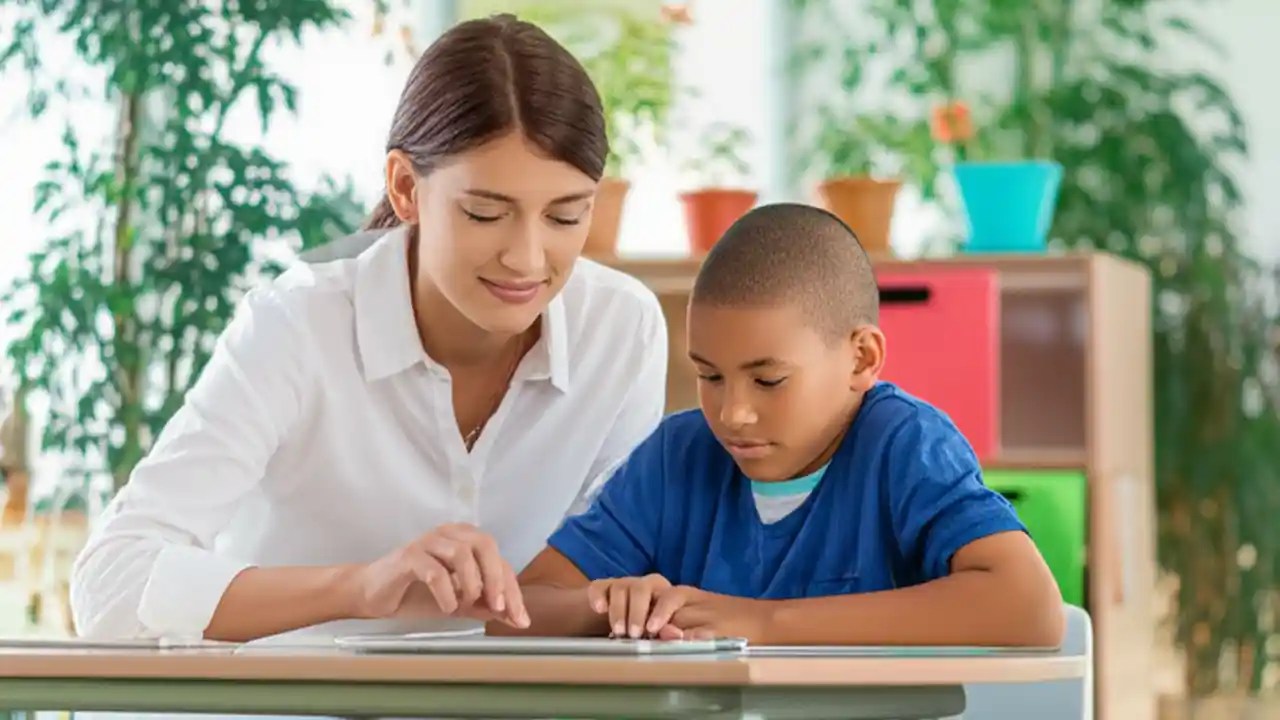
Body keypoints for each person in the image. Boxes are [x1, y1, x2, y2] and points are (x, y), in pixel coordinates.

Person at [70, 14, 668, 643]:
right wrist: (363, 588)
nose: (526, 257)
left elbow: (600, 584)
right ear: (406, 188)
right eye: (486, 214)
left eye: (565, 217)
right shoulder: (299, 323)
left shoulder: (621, 332)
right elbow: (109, 584)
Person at [497, 203, 1065, 647]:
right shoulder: (678, 457)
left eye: (768, 381)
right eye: (710, 376)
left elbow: (1028, 607)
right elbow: (518, 614)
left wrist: (763, 622)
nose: (732, 413)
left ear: (862, 359)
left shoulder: (902, 444)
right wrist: (607, 602)